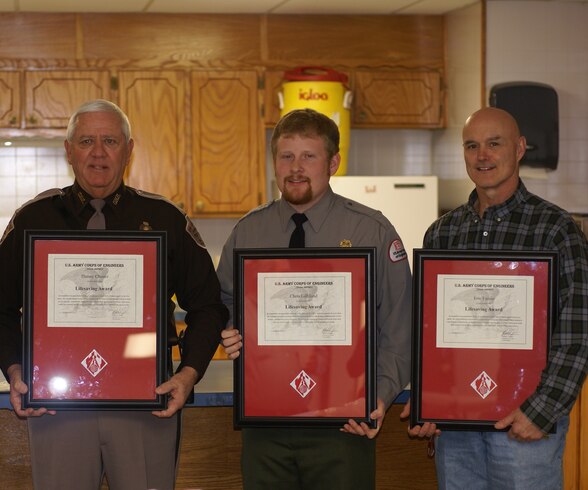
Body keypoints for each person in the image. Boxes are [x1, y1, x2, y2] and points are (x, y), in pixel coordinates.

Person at [0, 99, 228, 490]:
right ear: (68, 151)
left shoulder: (165, 218)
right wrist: (15, 371)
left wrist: (187, 375)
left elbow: (208, 307)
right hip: (56, 406)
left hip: (146, 405)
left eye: (110, 141)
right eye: (86, 141)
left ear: (129, 150)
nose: (98, 153)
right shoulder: (33, 219)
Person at [217, 108, 412, 489]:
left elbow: (400, 324)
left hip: (345, 422)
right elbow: (222, 300)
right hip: (265, 421)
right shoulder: (249, 230)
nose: (295, 168)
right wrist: (229, 328)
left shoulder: (370, 230)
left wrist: (380, 394)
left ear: (333, 162)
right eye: (286, 156)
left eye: (309, 156)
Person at [403, 107, 588, 489]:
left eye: (494, 143)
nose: (482, 155)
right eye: (472, 146)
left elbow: (578, 330)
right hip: (455, 430)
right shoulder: (442, 233)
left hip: (524, 425)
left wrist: (542, 411)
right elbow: (428, 330)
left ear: (519, 148)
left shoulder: (556, 229)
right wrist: (428, 401)